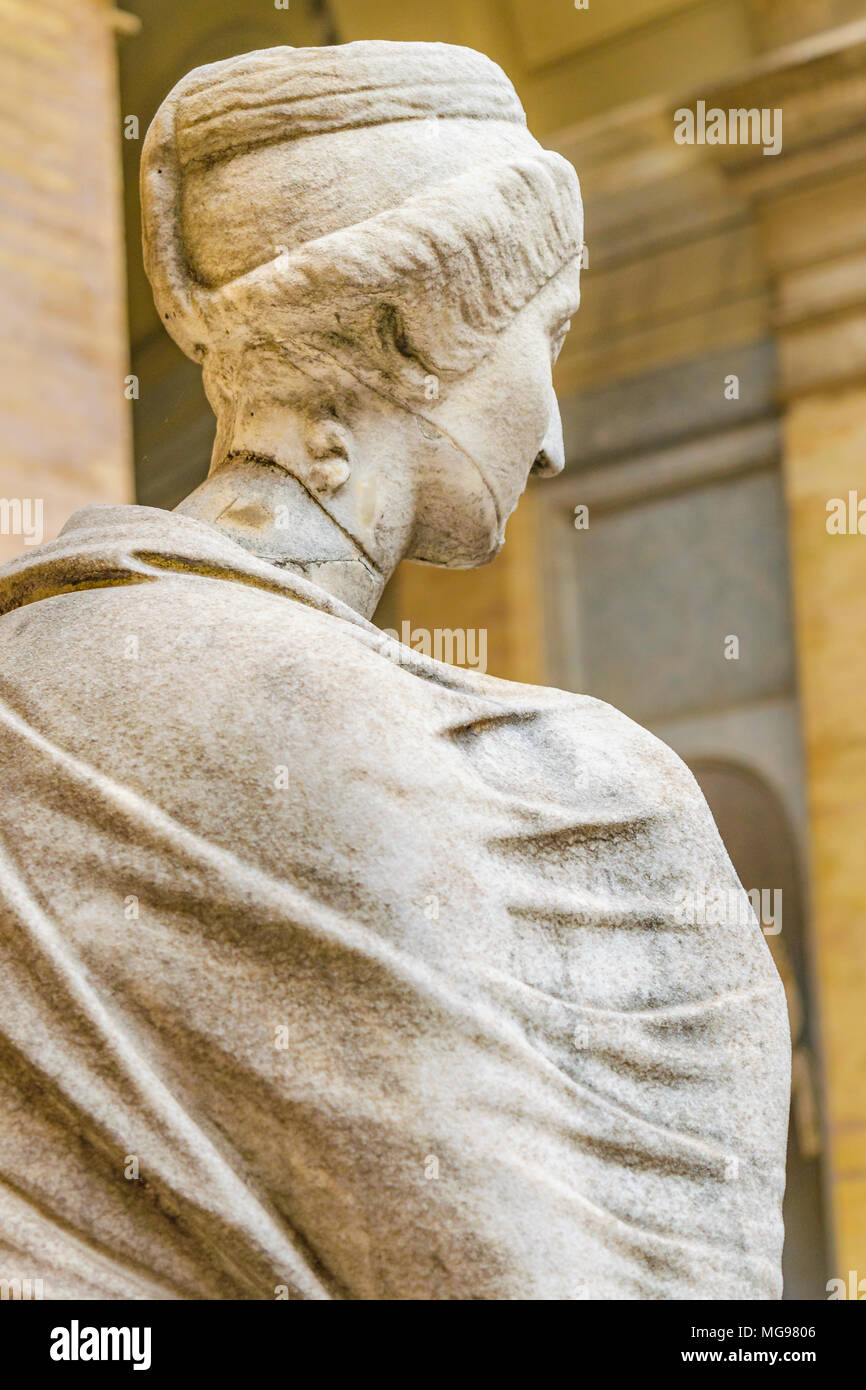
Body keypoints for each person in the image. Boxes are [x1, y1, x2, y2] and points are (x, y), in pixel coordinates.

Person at [0, 42, 789, 1299]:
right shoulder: (520, 774)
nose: (553, 443)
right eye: (548, 337)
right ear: (404, 334)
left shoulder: (22, 668)